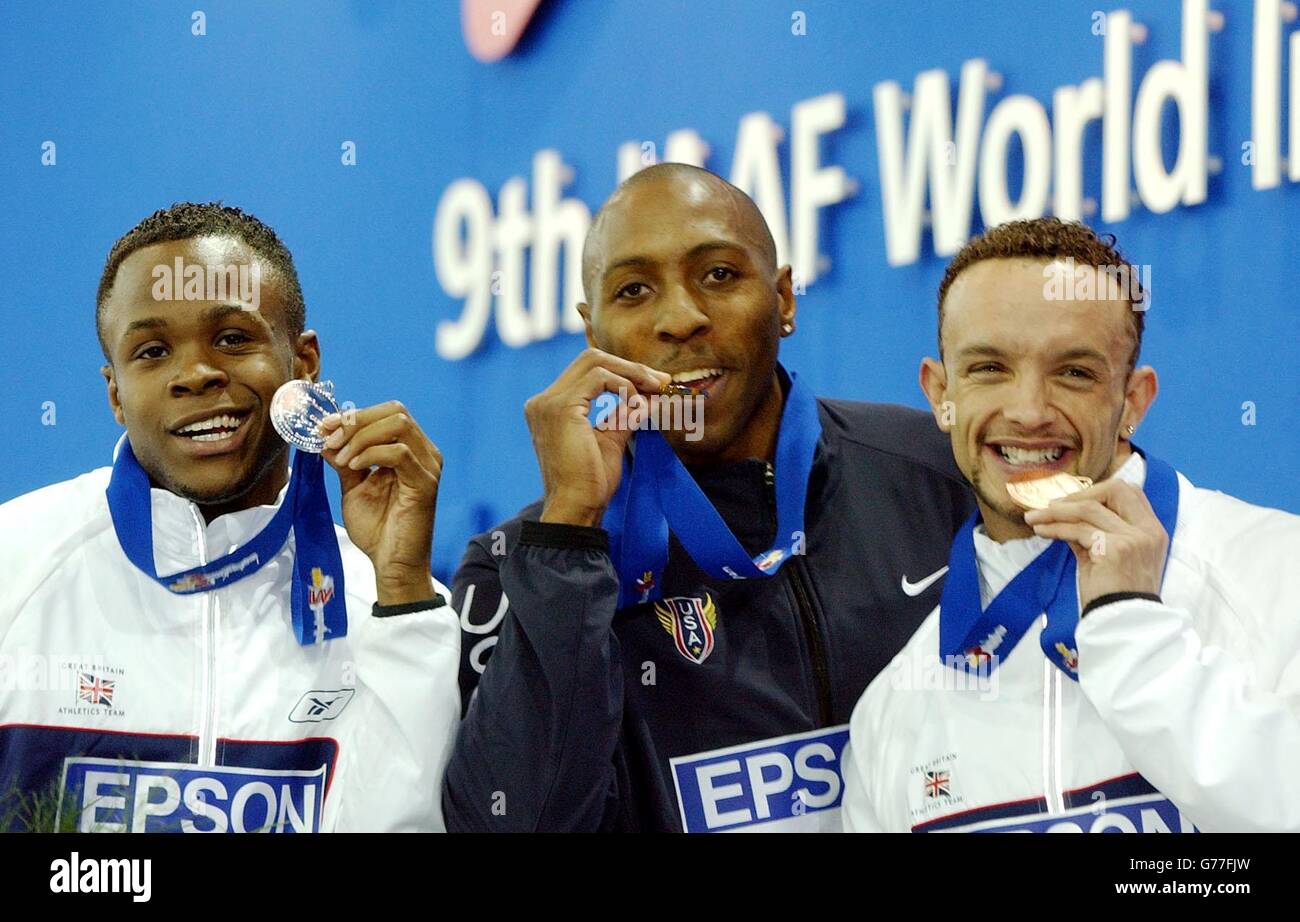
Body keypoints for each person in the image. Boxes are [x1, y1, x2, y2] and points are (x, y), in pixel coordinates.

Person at [442, 163, 974, 832]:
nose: (682, 318)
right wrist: (571, 531)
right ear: (592, 332)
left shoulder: (940, 474)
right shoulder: (521, 564)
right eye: (634, 290)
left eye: (719, 275)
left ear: (784, 299)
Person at [0, 203, 459, 833]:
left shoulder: (390, 602)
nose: (196, 374)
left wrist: (403, 589)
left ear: (303, 363)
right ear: (115, 394)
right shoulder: (15, 564)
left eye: (233, 338)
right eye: (153, 350)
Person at [840, 217, 1300, 833]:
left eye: (1074, 372)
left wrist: (1133, 629)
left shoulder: (1276, 575)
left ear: (1133, 400)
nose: (1028, 411)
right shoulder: (894, 707)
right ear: (939, 394)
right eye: (989, 368)